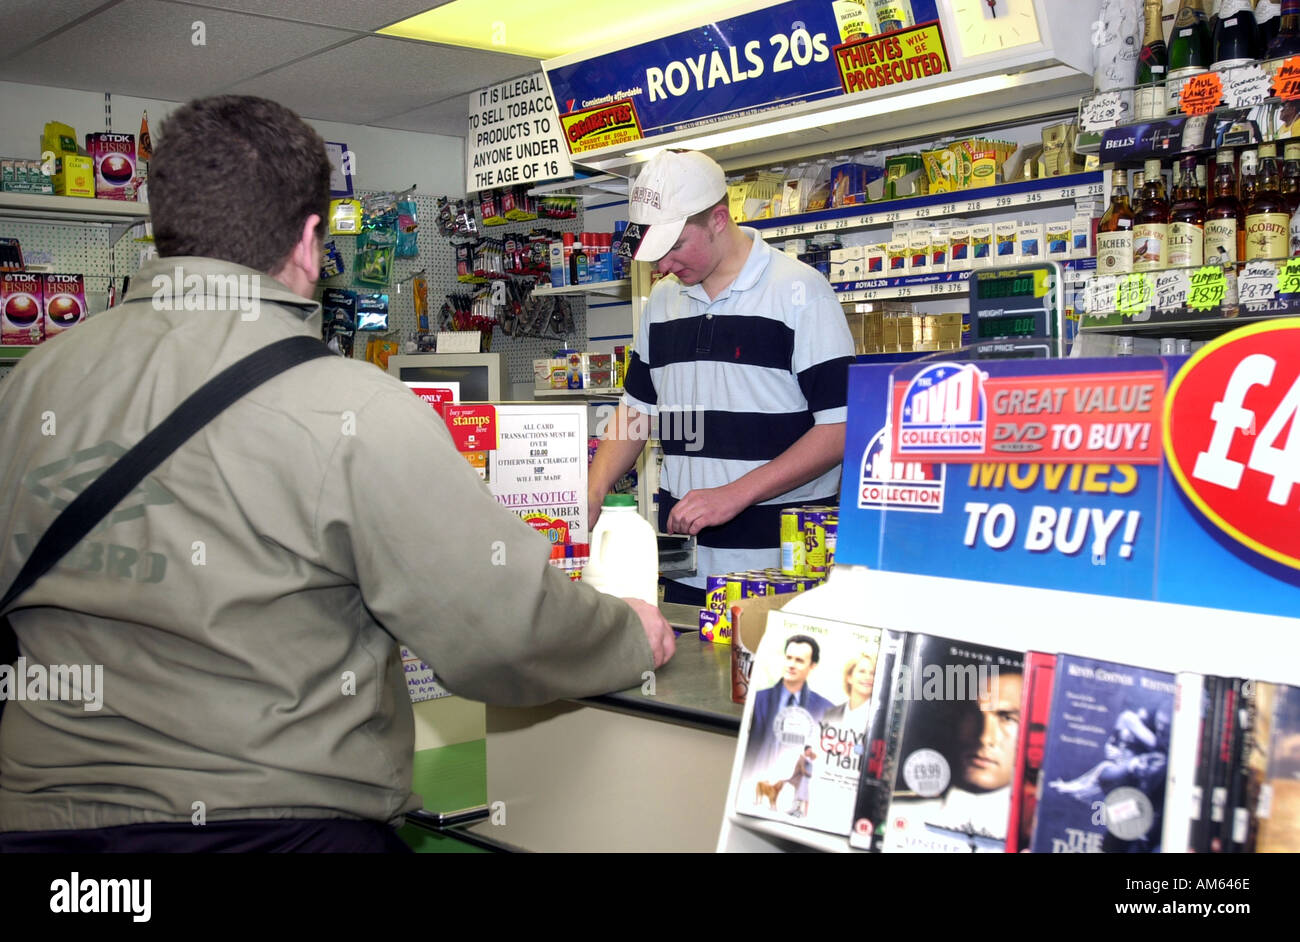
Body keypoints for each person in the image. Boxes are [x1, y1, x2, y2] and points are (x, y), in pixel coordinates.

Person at [0, 95, 675, 853]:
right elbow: (502, 633)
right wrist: (627, 634)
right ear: (311, 241)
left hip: (42, 834)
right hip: (275, 827)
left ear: (166, 221)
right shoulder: (350, 407)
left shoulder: (30, 387)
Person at [587, 150, 855, 605]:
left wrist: (735, 495)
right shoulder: (662, 304)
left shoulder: (801, 293)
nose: (664, 266)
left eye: (673, 247)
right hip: (682, 565)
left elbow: (842, 429)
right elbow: (636, 412)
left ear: (718, 219)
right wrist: (592, 492)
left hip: (781, 572)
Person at [887, 668, 1023, 852]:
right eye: (973, 715)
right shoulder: (897, 813)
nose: (984, 737)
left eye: (1007, 718)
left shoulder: (1035, 835)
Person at [746, 635, 833, 778]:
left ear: (812, 666)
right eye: (789, 657)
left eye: (799, 660)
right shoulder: (757, 700)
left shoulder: (825, 709)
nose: (791, 664)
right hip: (755, 780)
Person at [821, 650, 878, 731]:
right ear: (849, 677)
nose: (868, 677)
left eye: (873, 673)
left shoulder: (879, 719)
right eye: (862, 671)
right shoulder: (830, 714)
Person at [788, 745, 817, 819]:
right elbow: (802, 769)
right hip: (802, 779)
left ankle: (803, 814)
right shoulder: (803, 758)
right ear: (805, 751)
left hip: (806, 781)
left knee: (803, 797)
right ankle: (796, 811)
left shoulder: (808, 759)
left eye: (811, 751)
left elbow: (815, 756)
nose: (810, 752)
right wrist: (809, 774)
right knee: (800, 796)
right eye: (809, 750)